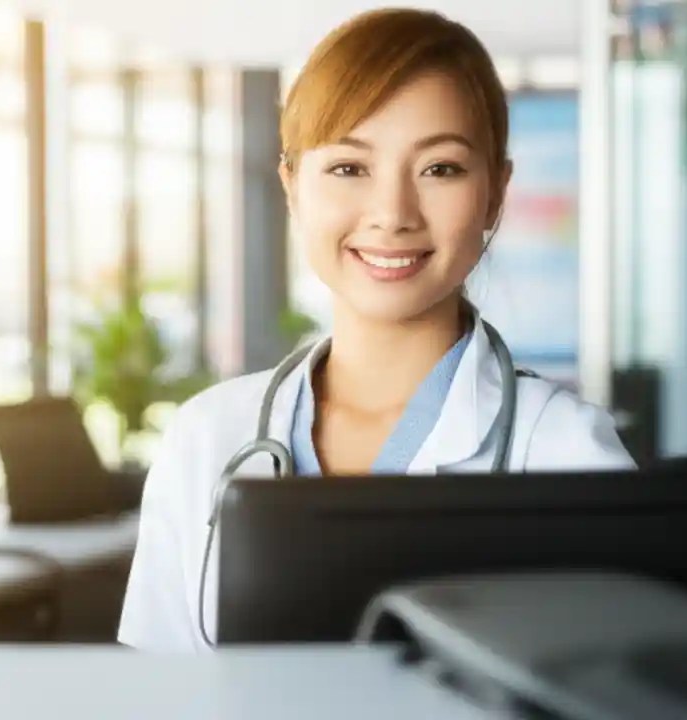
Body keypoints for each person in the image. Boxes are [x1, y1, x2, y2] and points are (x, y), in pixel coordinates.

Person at [118, 8, 634, 652]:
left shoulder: (565, 451)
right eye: (348, 168)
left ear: (496, 193)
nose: (392, 215)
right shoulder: (204, 439)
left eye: (440, 168)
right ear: (292, 187)